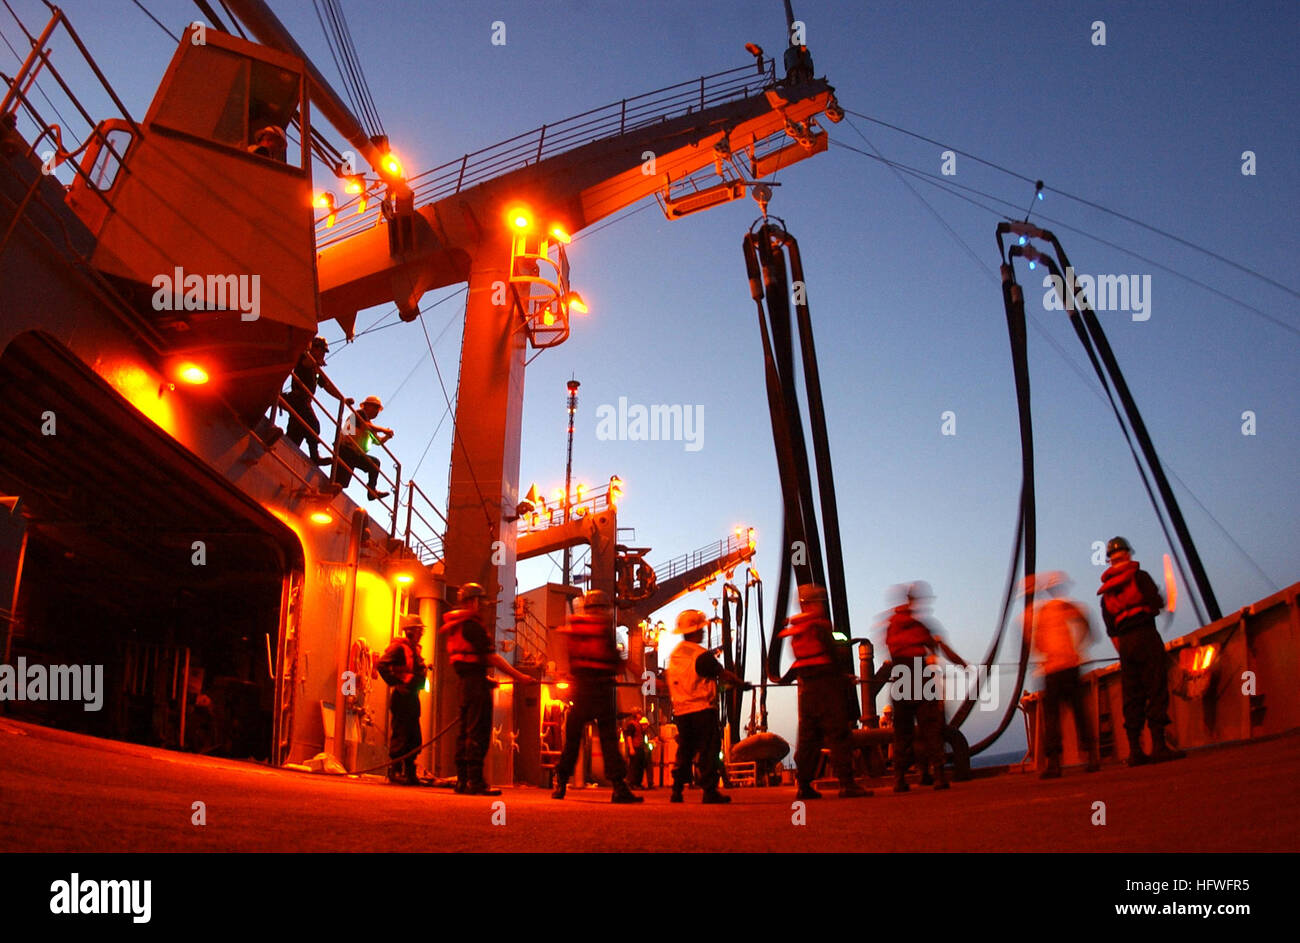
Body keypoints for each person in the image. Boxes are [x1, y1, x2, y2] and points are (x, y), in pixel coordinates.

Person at [440, 582, 535, 795]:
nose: (482, 606)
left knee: (465, 732)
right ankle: (475, 782)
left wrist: (483, 679)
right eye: (480, 601)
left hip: (465, 684)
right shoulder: (473, 626)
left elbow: (466, 661)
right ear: (472, 601)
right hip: (475, 687)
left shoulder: (457, 626)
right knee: (478, 732)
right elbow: (492, 657)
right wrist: (520, 677)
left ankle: (462, 780)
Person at [1097, 537, 1184, 765]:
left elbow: (1110, 629)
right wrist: (1162, 601)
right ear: (1127, 555)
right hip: (1146, 636)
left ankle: (1135, 750)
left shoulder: (1106, 594)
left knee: (1132, 695)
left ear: (1109, 560)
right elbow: (1155, 602)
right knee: (1155, 689)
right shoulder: (1140, 577)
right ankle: (1158, 746)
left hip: (1125, 645)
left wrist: (1124, 651)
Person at [551, 590, 643, 804]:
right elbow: (617, 662)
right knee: (609, 740)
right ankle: (619, 787)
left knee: (572, 740)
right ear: (602, 608)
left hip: (580, 690)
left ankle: (561, 783)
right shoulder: (605, 630)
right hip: (602, 690)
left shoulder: (574, 629)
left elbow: (570, 660)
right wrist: (639, 673)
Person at [780, 585, 871, 799]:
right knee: (839, 735)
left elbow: (800, 662)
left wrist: (785, 679)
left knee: (808, 739)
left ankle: (804, 786)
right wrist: (844, 678)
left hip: (807, 691)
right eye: (820, 603)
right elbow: (832, 657)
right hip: (826, 688)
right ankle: (847, 784)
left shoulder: (797, 631)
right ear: (812, 604)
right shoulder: (819, 627)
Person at [885, 582, 965, 792]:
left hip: (900, 678)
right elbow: (939, 647)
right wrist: (962, 664)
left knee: (902, 732)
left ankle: (899, 779)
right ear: (914, 602)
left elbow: (890, 649)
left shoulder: (891, 625)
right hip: (920, 677)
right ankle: (938, 775)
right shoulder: (918, 627)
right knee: (931, 727)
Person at [665, 610, 746, 804]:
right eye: (701, 629)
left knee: (685, 750)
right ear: (695, 631)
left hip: (681, 712)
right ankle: (709, 791)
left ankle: (677, 790)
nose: (703, 632)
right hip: (702, 709)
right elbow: (722, 674)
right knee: (709, 749)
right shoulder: (700, 655)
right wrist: (741, 684)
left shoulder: (675, 655)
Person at [1025, 572, 1100, 778]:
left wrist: (1045, 654)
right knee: (1077, 713)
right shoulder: (1064, 607)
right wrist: (1079, 648)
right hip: (1065, 667)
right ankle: (1089, 756)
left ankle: (1055, 763)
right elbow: (1087, 627)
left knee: (1054, 718)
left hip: (1056, 669)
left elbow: (1034, 639)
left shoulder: (1045, 611)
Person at [375, 614, 426, 785]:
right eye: (418, 630)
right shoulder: (398, 648)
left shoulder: (414, 650)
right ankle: (395, 771)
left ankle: (410, 772)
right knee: (401, 735)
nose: (421, 634)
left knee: (414, 736)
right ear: (409, 631)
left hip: (412, 697)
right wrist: (396, 683)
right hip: (402, 697)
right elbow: (381, 665)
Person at [284, 336, 343, 465]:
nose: (323, 354)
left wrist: (342, 399)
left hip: (304, 401)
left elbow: (326, 385)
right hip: (298, 399)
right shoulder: (304, 357)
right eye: (321, 350)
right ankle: (315, 456)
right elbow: (306, 362)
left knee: (297, 429)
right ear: (314, 348)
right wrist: (316, 362)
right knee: (313, 424)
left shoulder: (315, 368)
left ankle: (285, 450)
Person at [335, 395, 393, 501]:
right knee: (340, 481)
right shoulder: (359, 414)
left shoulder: (370, 425)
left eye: (378, 409)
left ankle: (371, 491)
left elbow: (378, 441)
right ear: (366, 406)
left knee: (374, 464)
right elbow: (365, 425)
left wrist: (387, 437)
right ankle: (328, 495)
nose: (376, 411)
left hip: (354, 453)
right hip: (346, 450)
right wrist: (384, 430)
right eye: (375, 408)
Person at [623, 713, 652, 790]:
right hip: (635, 747)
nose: (641, 715)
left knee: (640, 767)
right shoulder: (632, 725)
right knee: (634, 766)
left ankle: (638, 783)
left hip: (640, 748)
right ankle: (632, 783)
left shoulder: (638, 724)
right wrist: (631, 748)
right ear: (635, 715)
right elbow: (629, 737)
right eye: (639, 713)